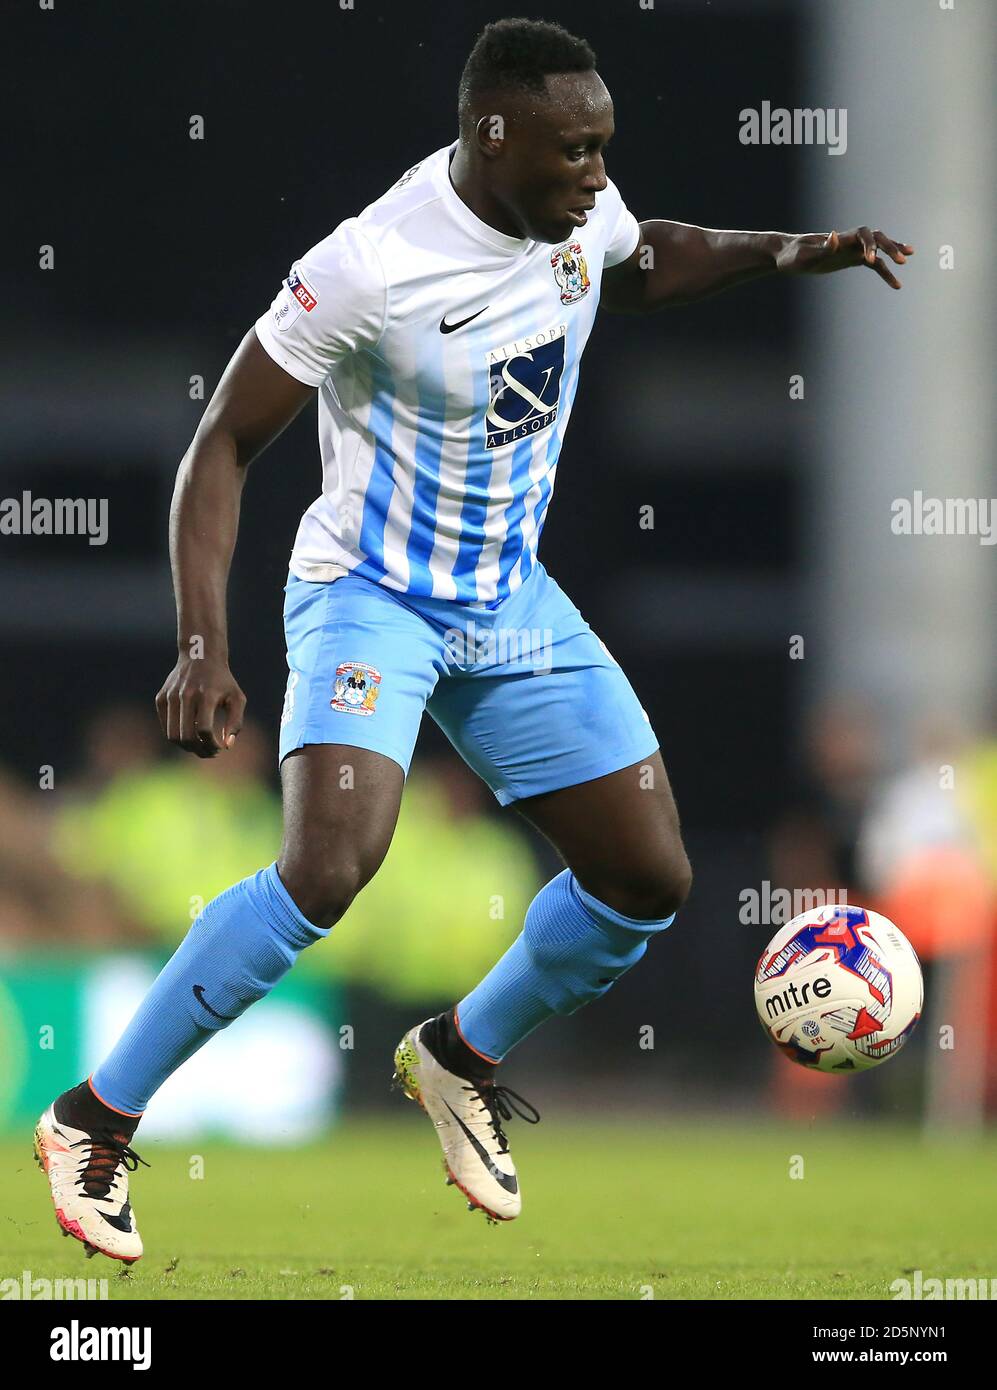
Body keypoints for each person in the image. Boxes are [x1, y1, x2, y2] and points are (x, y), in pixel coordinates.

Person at [35, 17, 912, 1261]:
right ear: (490, 137)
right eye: (574, 153)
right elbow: (222, 441)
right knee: (330, 867)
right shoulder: (369, 266)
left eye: (605, 149)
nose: (598, 176)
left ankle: (455, 1053)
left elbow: (643, 257)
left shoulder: (572, 219)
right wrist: (199, 643)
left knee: (646, 881)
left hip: (509, 602)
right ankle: (93, 1119)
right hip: (371, 600)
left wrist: (791, 250)